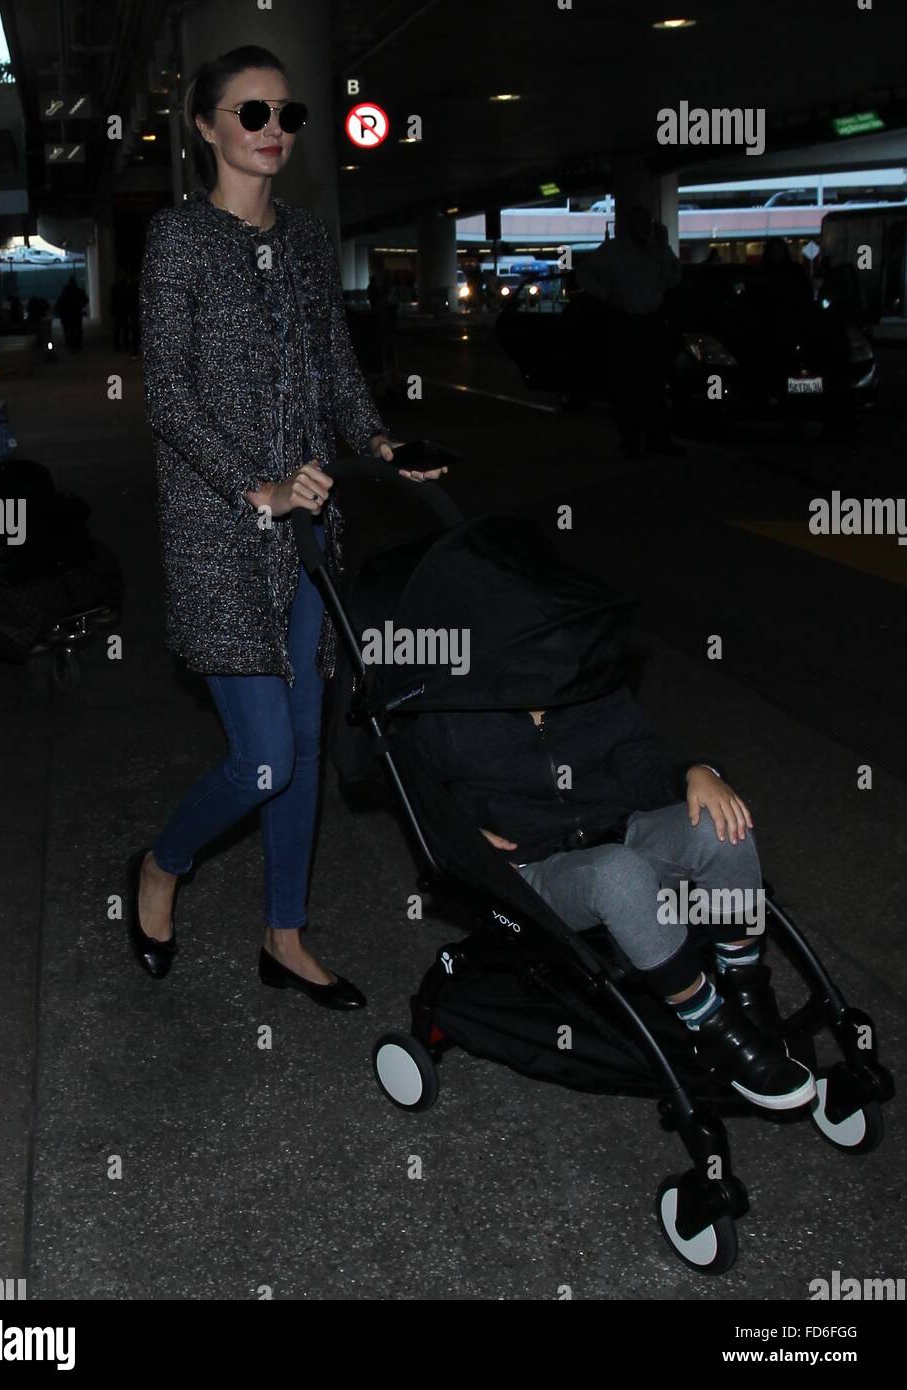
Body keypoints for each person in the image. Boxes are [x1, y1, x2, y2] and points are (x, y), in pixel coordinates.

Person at [132, 44, 446, 1007]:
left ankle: (285, 934)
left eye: (285, 116)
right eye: (252, 114)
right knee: (262, 756)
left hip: (310, 534)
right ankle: (160, 865)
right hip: (221, 534)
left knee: (305, 745)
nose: (273, 131)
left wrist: (381, 444)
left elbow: (336, 370)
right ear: (206, 125)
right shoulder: (178, 241)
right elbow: (169, 395)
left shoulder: (308, 240)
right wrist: (253, 487)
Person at [407, 690, 817, 1112]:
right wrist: (461, 836)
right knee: (616, 873)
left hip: (621, 829)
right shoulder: (452, 716)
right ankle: (709, 1023)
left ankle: (745, 985)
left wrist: (697, 773)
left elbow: (642, 767)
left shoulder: (590, 689)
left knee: (721, 824)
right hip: (535, 867)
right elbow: (418, 791)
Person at [578, 204, 683, 461]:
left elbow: (674, 278)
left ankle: (656, 438)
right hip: (625, 320)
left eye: (646, 221)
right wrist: (606, 295)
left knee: (654, 385)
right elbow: (583, 274)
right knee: (628, 385)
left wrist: (663, 247)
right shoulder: (614, 250)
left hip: (651, 321)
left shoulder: (657, 249)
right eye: (639, 220)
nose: (643, 226)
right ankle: (632, 440)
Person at [55, 275, 88, 352]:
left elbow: (60, 303)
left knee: (69, 330)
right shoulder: (79, 291)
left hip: (67, 314)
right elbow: (85, 300)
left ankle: (71, 344)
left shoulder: (65, 292)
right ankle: (77, 344)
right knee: (77, 329)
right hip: (76, 313)